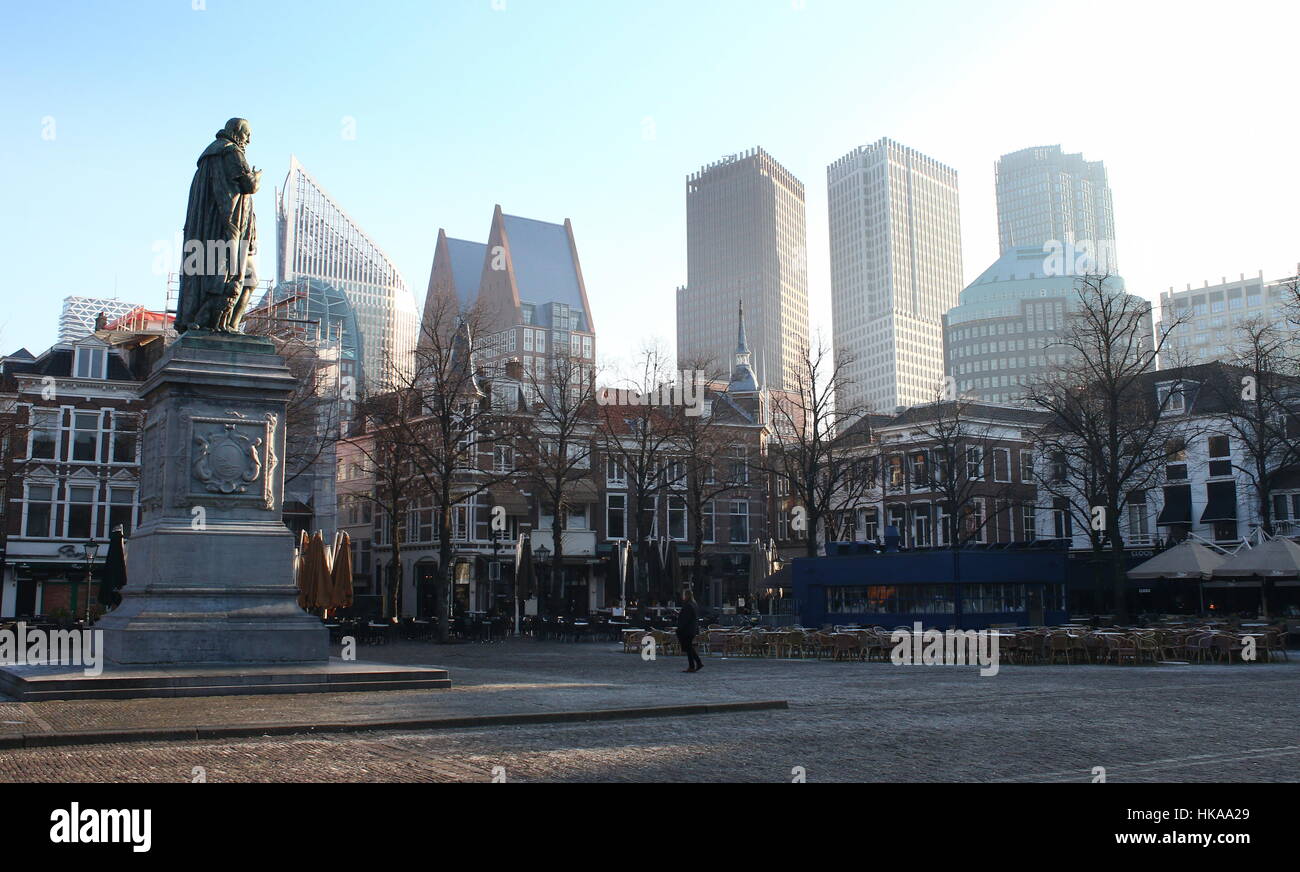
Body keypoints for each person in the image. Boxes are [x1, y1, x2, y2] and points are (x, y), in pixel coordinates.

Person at [678, 588, 703, 673]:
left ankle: (694, 665)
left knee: (688, 647)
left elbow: (686, 618)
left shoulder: (688, 605)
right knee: (689, 647)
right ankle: (696, 664)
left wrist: (680, 627)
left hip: (688, 630)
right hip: (692, 629)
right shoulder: (694, 604)